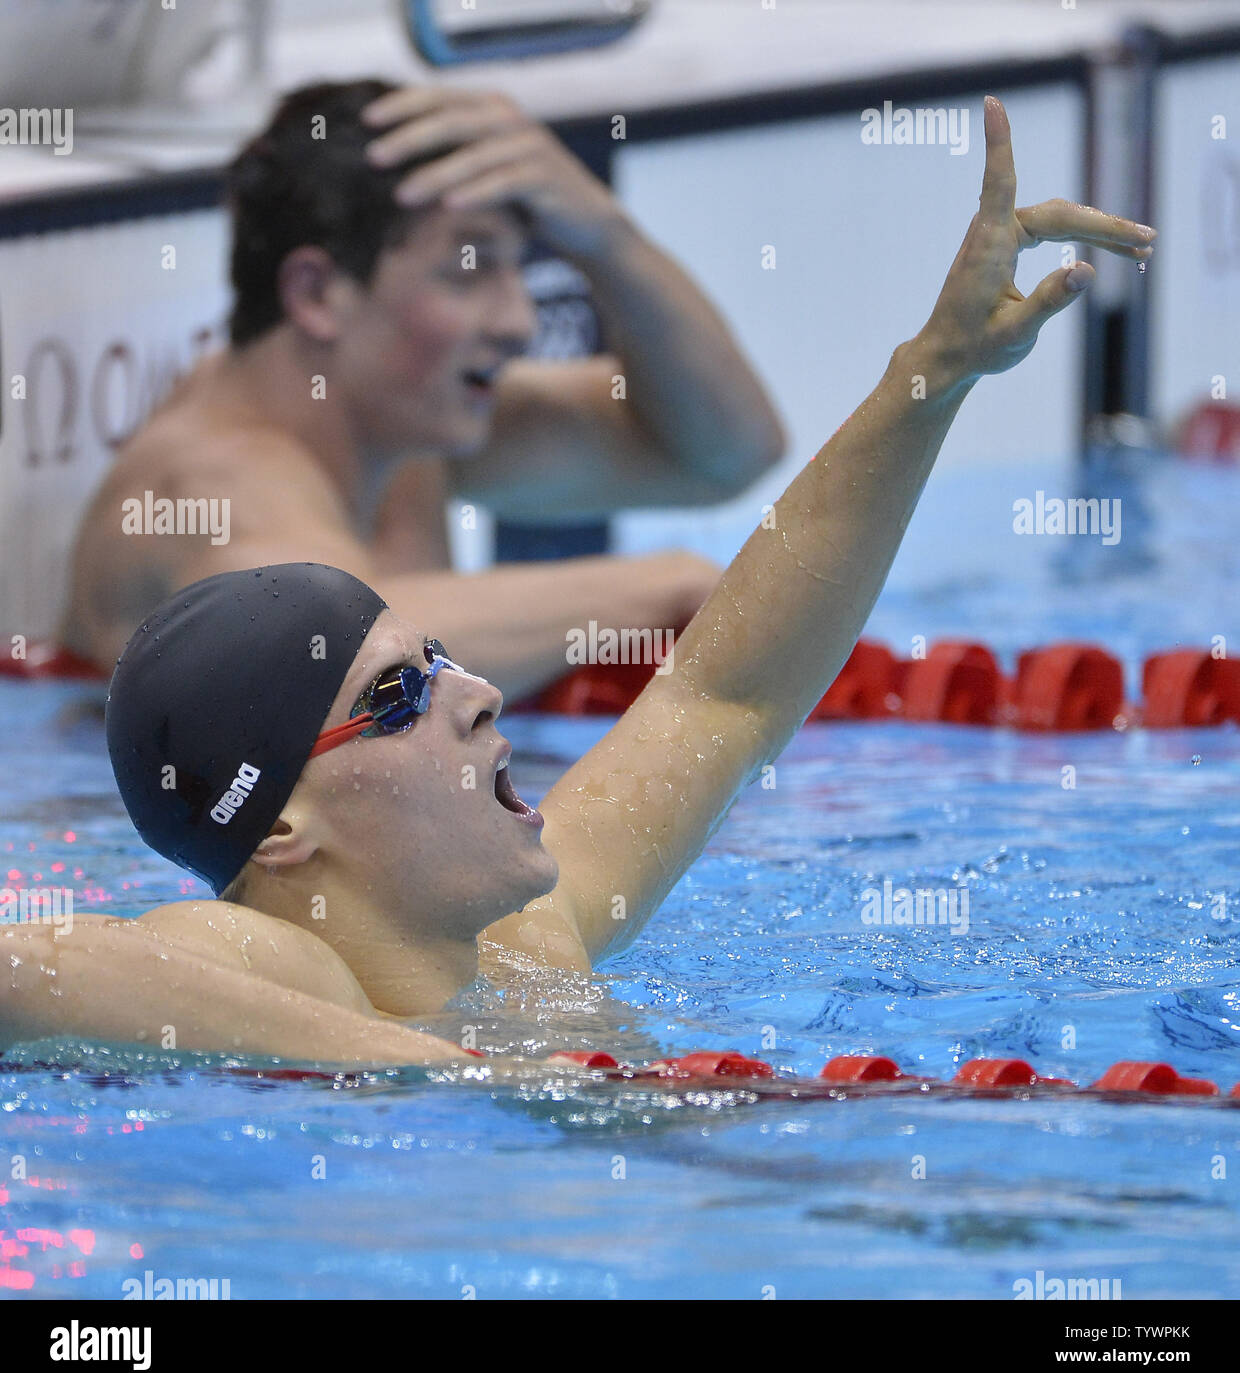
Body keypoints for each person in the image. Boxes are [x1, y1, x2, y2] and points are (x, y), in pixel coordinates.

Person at [11, 99, 1154, 1072]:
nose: (478, 694)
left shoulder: (524, 938)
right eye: (401, 693)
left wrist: (931, 377)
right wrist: (431, 1070)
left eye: (440, 662)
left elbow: (722, 694)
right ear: (283, 831)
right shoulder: (285, 960)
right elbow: (26, 968)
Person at [58, 79, 786, 698]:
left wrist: (606, 235)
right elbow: (330, 655)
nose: (520, 321)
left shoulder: (400, 430)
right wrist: (669, 584)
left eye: (518, 267)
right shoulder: (203, 485)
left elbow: (727, 455)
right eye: (470, 269)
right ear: (317, 293)